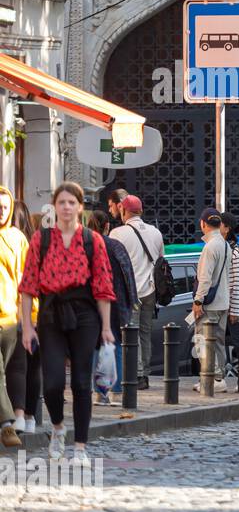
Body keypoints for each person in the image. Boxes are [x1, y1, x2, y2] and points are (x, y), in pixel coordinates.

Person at [18, 181, 116, 465]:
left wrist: (107, 328)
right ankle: (58, 428)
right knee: (52, 383)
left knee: (82, 383)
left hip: (85, 315)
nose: (66, 207)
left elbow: (103, 287)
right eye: (61, 202)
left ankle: (81, 448)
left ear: (80, 207)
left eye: (71, 202)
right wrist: (27, 326)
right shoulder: (41, 239)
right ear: (54, 206)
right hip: (50, 313)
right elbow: (27, 287)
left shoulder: (92, 240)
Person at [111, 195, 165, 388]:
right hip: (150, 289)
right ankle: (145, 372)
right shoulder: (156, 232)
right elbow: (160, 261)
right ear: (140, 211)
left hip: (130, 290)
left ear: (124, 211)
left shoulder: (117, 233)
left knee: (130, 334)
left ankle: (138, 374)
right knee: (145, 332)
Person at [89, 210, 138, 405]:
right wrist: (132, 300)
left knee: (94, 346)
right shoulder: (116, 246)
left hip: (91, 302)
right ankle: (116, 390)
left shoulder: (86, 246)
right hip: (116, 302)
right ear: (107, 226)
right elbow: (128, 275)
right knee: (116, 344)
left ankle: (98, 392)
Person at [4, 201, 39, 436]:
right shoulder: (34, 239)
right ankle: (25, 416)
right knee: (28, 367)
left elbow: (27, 279)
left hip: (17, 313)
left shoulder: (18, 240)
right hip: (28, 313)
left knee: (20, 367)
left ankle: (17, 417)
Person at [193, 208, 232, 393]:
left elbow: (205, 278)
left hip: (210, 303)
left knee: (202, 339)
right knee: (218, 342)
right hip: (223, 301)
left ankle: (212, 377)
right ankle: (219, 377)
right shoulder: (225, 245)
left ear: (203, 224)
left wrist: (198, 301)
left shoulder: (210, 247)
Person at [0, 187, 27, 448]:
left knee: (11, 370)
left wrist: (30, 316)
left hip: (10, 317)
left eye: (5, 207)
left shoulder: (17, 239)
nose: (1, 211)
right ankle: (8, 425)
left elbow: (26, 279)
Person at [220, 212, 239, 373]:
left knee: (238, 341)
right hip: (224, 304)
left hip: (233, 304)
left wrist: (234, 310)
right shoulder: (222, 248)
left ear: (227, 228)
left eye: (219, 224)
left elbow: (237, 283)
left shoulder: (235, 252)